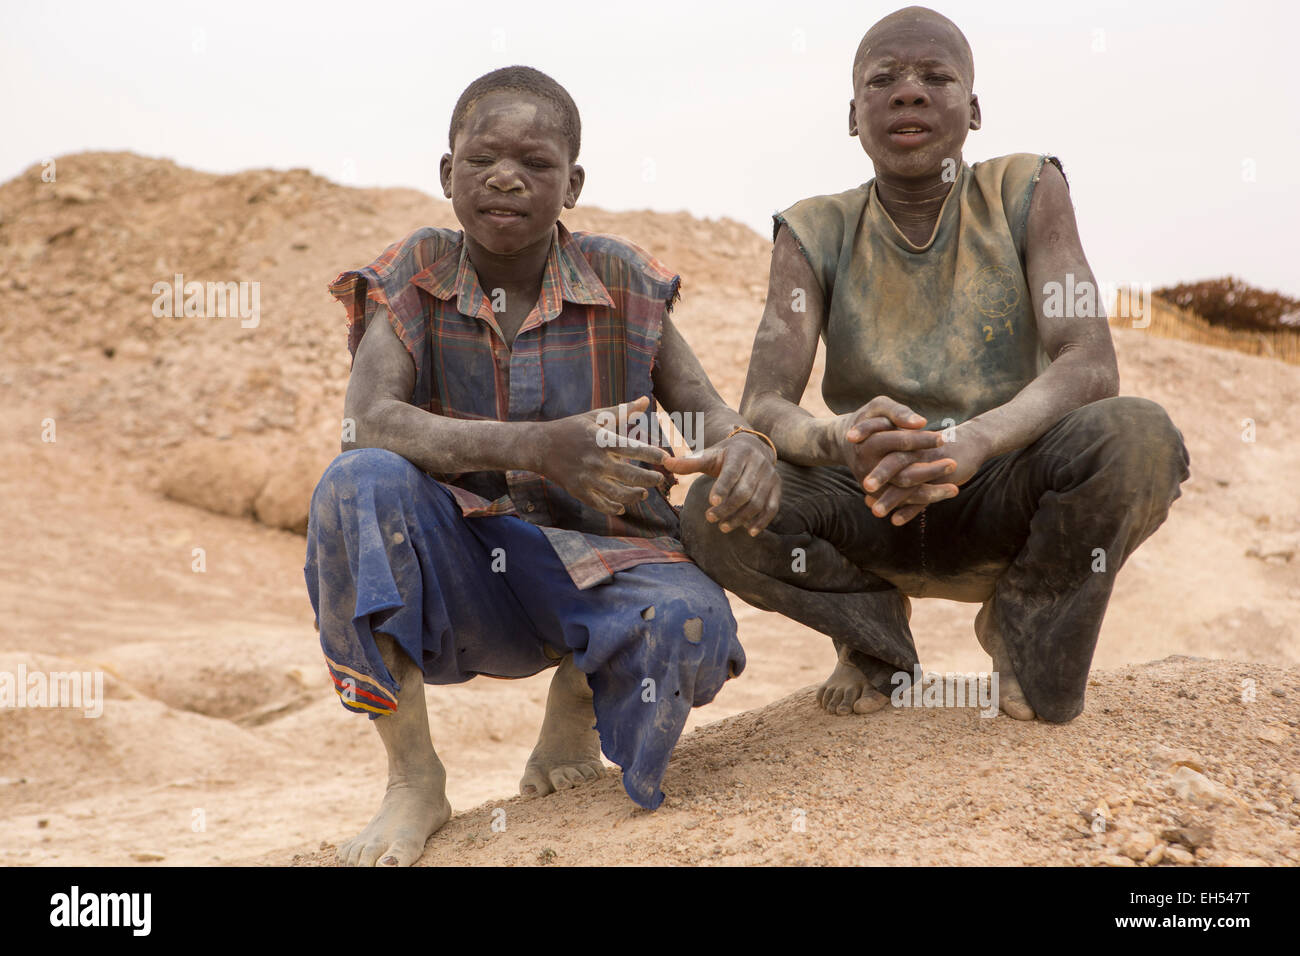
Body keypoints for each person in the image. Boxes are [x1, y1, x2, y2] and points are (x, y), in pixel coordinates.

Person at [306, 66, 780, 866]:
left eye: (535, 163)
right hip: (467, 568)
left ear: (573, 183)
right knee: (357, 483)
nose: (505, 178)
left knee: (690, 624)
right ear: (447, 172)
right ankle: (414, 780)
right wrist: (539, 446)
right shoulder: (415, 274)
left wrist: (745, 446)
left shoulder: (621, 277)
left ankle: (574, 714)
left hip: (605, 562)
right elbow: (366, 421)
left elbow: (699, 407)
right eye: (483, 158)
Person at [681, 6, 1189, 725]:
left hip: (1002, 481)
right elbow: (764, 404)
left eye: (936, 77)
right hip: (869, 494)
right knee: (714, 512)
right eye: (882, 79)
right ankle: (874, 635)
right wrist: (842, 439)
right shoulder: (811, 228)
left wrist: (975, 441)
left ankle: (1024, 620)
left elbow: (1090, 364)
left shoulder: (1028, 188)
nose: (909, 92)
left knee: (1137, 436)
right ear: (853, 116)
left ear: (973, 110)